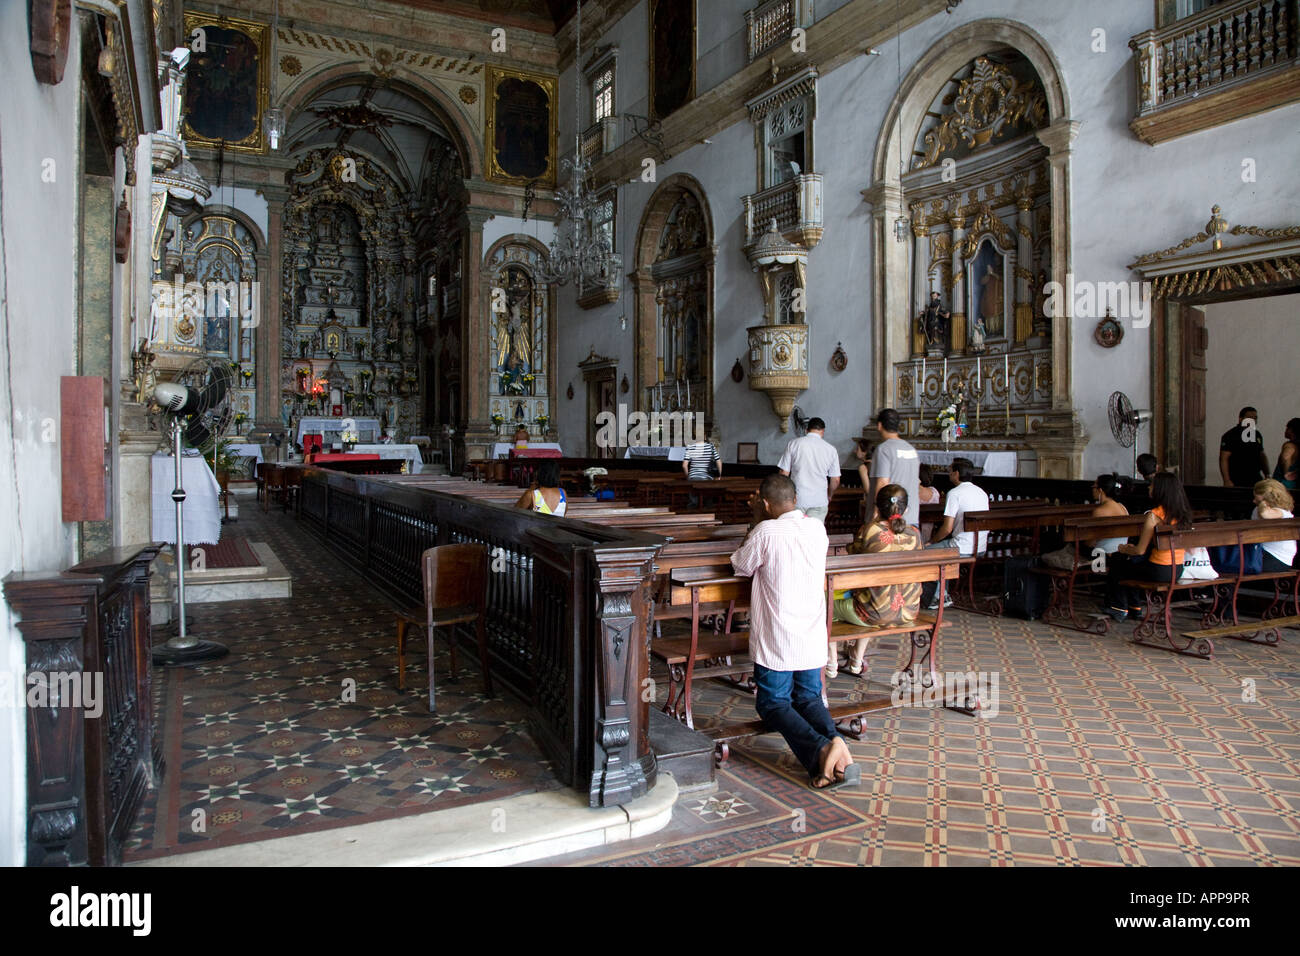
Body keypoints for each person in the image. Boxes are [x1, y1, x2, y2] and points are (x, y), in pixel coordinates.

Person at [731, 474, 858, 790]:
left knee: (773, 704)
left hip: (778, 636)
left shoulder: (765, 530)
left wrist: (756, 520)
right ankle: (836, 746)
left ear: (764, 504)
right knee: (809, 698)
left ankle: (824, 749)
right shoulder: (817, 527)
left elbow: (740, 566)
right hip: (811, 633)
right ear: (795, 499)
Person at [827, 484, 923, 680]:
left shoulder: (870, 530)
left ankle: (831, 661)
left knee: (822, 603)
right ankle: (856, 660)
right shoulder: (915, 533)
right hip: (908, 610)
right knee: (873, 596)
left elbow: (852, 556)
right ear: (906, 509)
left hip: (875, 613)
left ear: (876, 508)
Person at [1105, 472, 1193, 621]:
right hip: (1177, 569)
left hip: (1158, 570)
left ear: (1160, 490)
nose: (1149, 488)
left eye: (1152, 485)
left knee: (1118, 562)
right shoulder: (1183, 514)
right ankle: (1134, 607)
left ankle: (1119, 608)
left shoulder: (1154, 515)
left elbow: (1140, 550)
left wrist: (1123, 548)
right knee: (1130, 564)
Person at [922, 458, 989, 608]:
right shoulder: (982, 493)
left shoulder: (955, 493)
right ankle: (942, 595)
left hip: (961, 548)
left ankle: (937, 597)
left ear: (957, 474)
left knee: (926, 552)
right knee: (940, 552)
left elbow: (947, 529)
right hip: (980, 547)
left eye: (950, 471)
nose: (949, 474)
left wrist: (931, 542)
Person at [1041, 474, 1130, 571]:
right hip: (1119, 554)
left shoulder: (1100, 511)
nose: (1092, 489)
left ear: (1100, 490)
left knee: (1065, 544)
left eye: (1094, 487)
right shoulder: (1122, 507)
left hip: (1101, 555)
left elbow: (1090, 541)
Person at [777, 416, 841, 522]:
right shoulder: (831, 450)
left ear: (806, 430)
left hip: (796, 499)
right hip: (819, 500)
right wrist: (829, 495)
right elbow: (836, 480)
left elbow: (783, 473)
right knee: (814, 535)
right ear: (823, 431)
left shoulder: (793, 444)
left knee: (795, 534)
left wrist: (783, 496)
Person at [869, 408, 921, 528]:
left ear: (879, 425)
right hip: (910, 515)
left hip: (888, 517)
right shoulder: (911, 449)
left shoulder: (884, 449)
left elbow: (882, 482)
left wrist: (876, 513)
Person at [1252, 479, 1296, 572]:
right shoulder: (1257, 509)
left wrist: (1263, 502)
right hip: (1261, 551)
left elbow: (1266, 515)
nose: (1254, 501)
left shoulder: (1282, 512)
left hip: (1277, 557)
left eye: (1257, 499)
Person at [1219, 406, 1268, 488]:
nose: (1252, 420)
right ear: (1240, 419)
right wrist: (1226, 480)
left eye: (1255, 418)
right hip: (1237, 479)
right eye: (1249, 418)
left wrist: (1267, 474)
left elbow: (1261, 455)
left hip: (1255, 478)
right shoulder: (1230, 435)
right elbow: (1224, 459)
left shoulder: (1256, 434)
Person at [1273, 418, 1300, 490]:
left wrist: (1286, 473)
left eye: (1287, 428)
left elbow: (1286, 458)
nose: (1285, 430)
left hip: (1283, 485)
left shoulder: (1290, 445)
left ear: (1291, 430)